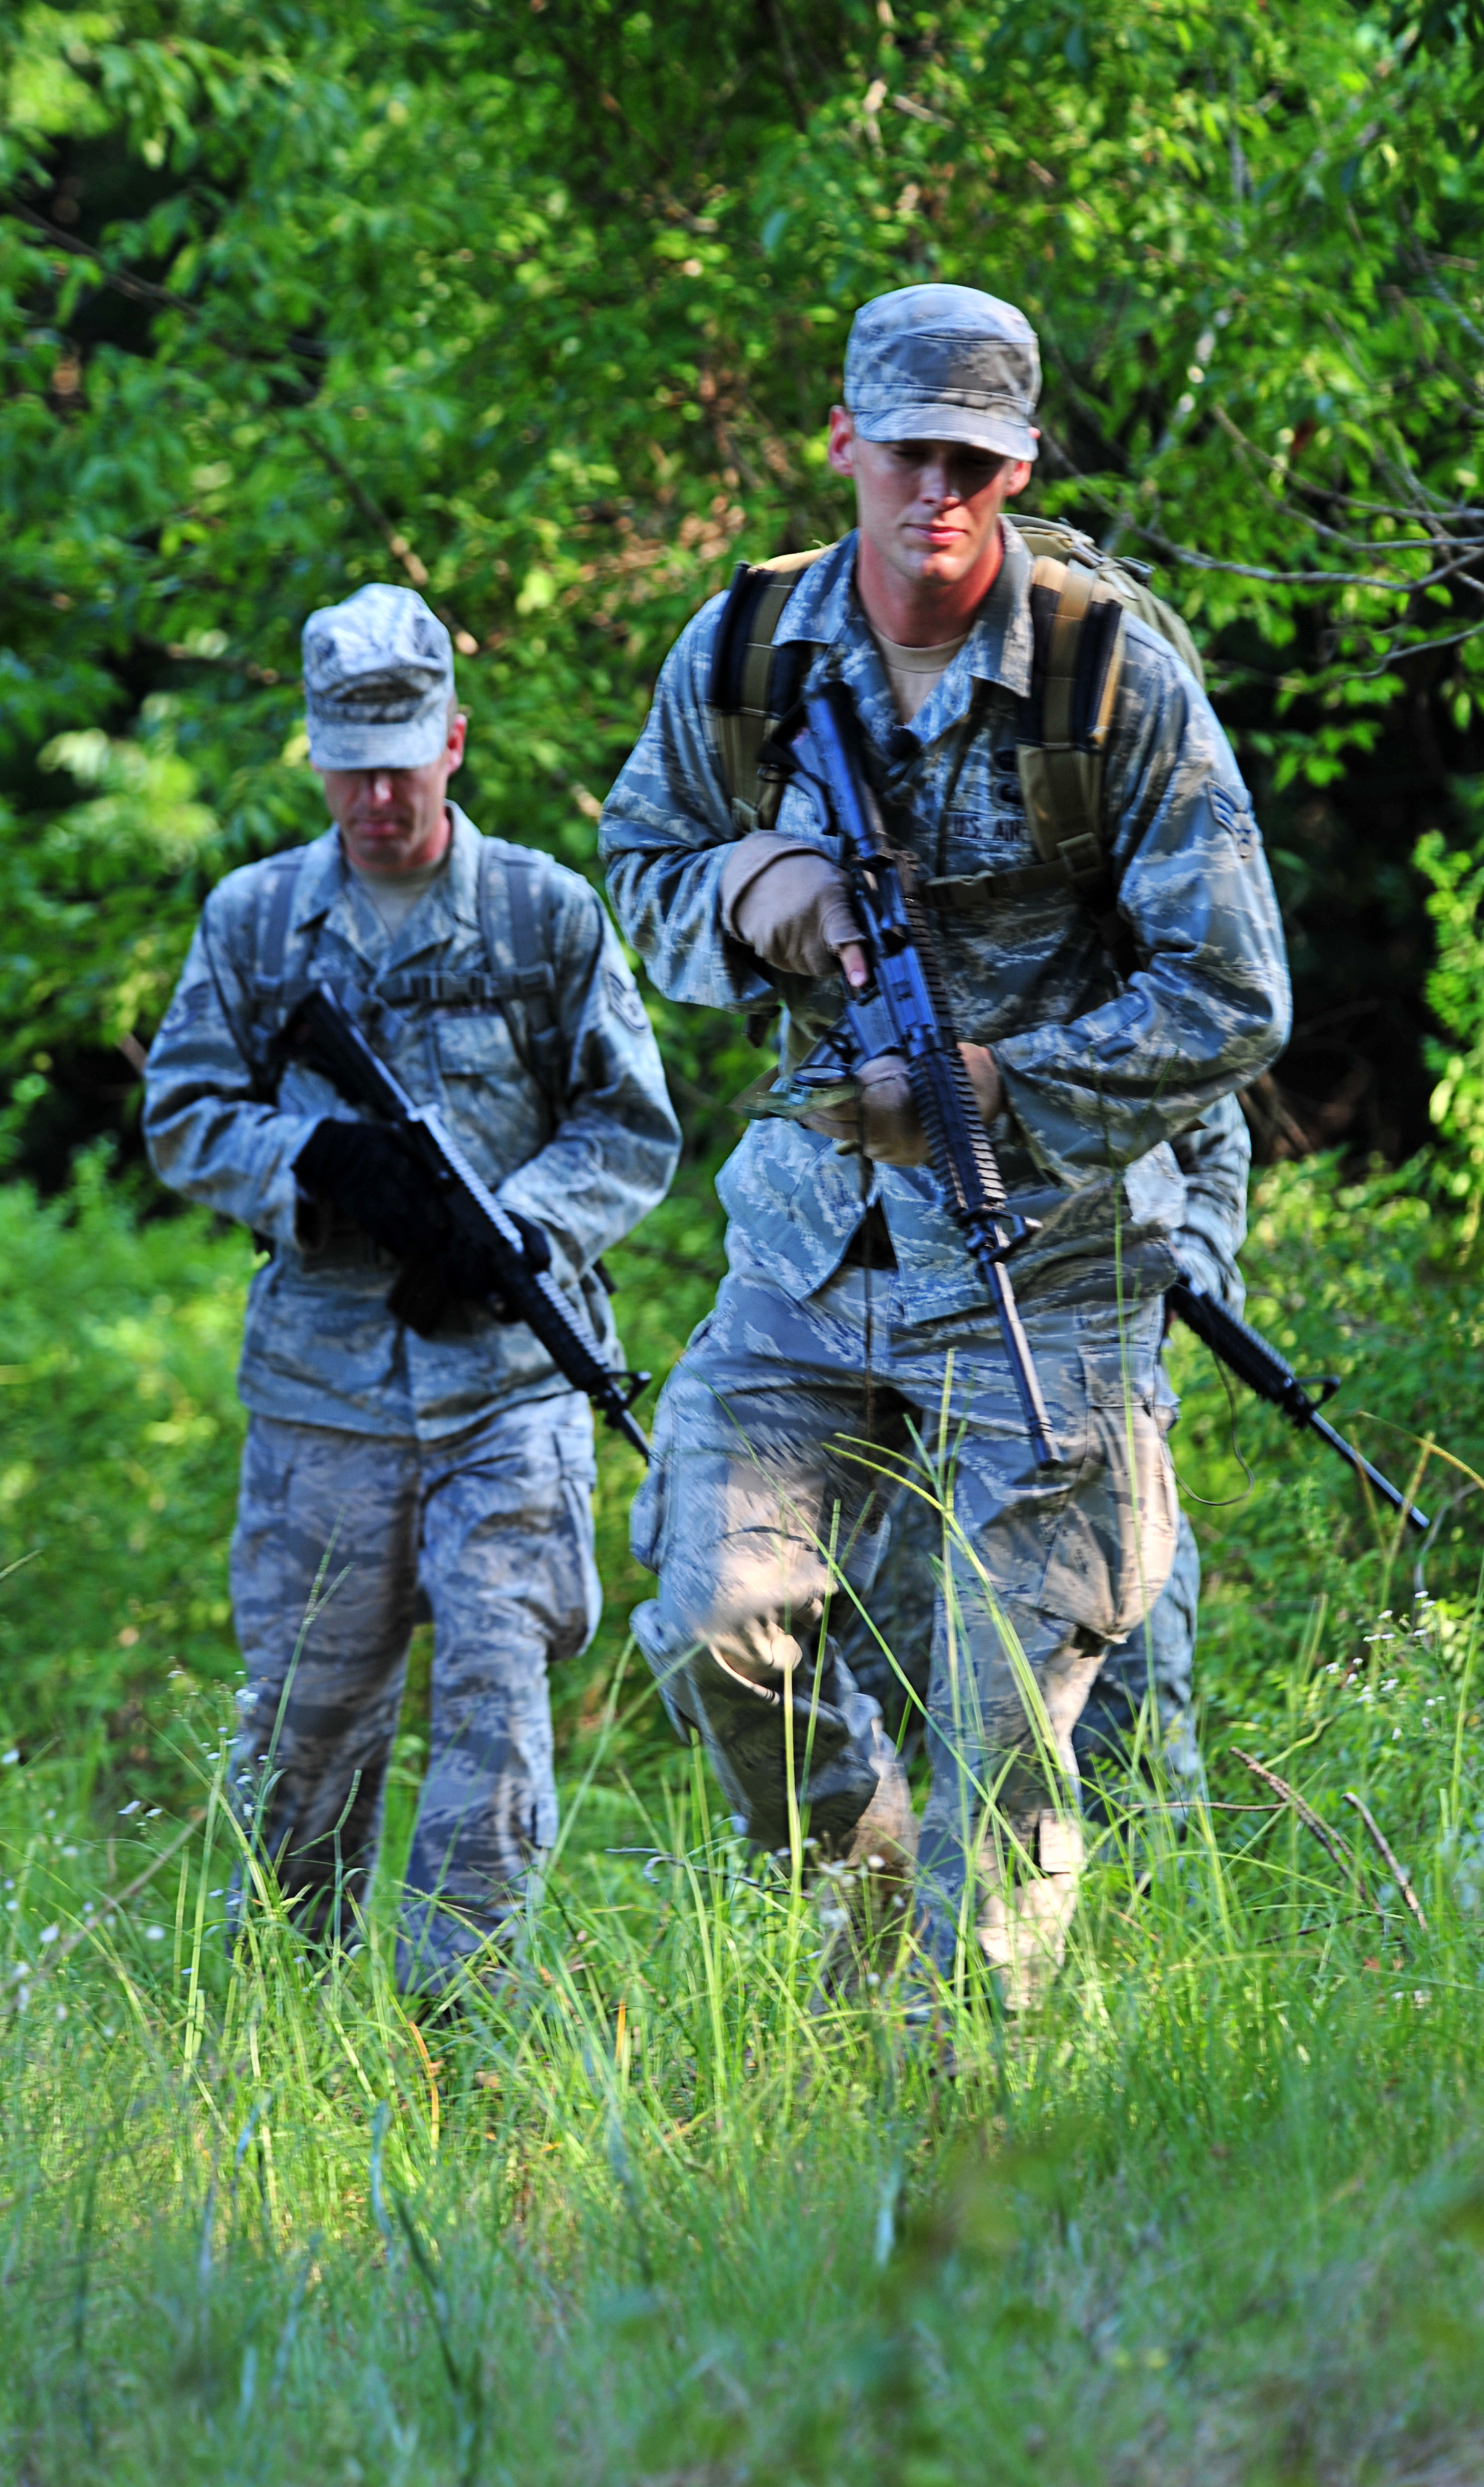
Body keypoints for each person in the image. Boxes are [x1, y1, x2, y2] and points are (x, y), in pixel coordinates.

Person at [600, 283, 1290, 2008]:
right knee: (712, 1621)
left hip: (1044, 1256)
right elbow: (641, 863)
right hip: (810, 1248)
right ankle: (860, 1926)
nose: (940, 496)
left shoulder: (1105, 671)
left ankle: (967, 2121)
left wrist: (1010, 1087)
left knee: (1010, 1724)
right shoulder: (752, 653)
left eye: (977, 461)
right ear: (842, 442)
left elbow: (1236, 992)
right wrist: (755, 892)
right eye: (909, 452)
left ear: (1022, 459)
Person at [143, 583, 681, 1990]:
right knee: (306, 1741)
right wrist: (311, 1165)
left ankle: (458, 2030)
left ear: (454, 738)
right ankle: (298, 2035)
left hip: (506, 1387)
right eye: (348, 763)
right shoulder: (258, 923)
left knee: (496, 1723)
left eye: (400, 757)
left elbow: (630, 1126)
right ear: (316, 756)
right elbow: (182, 1112)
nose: (376, 793)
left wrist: (513, 1223)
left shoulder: (541, 915)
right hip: (323, 1402)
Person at [836, 1098, 1253, 1821]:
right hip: (906, 1408)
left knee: (1134, 1691)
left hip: (1091, 1384)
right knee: (894, 1713)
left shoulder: (1109, 986)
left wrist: (1189, 1260)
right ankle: (888, 1916)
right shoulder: (858, 1000)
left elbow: (1212, 1147)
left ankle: (1149, 1924)